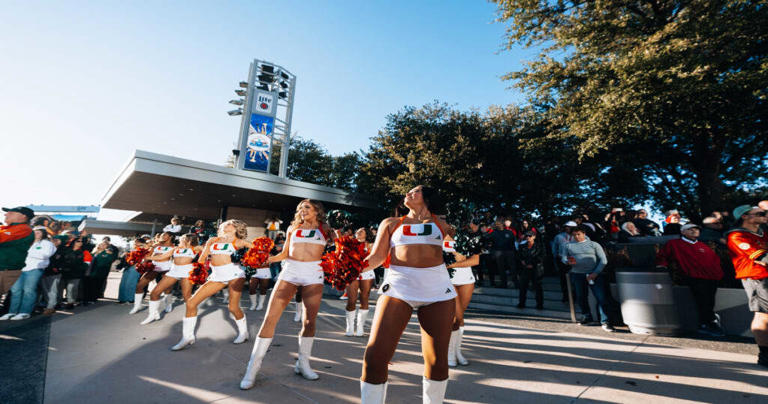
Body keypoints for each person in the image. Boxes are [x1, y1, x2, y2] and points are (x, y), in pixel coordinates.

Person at [356, 185, 456, 404]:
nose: (409, 193)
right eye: (408, 191)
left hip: (438, 291)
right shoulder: (392, 223)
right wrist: (352, 267)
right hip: (399, 287)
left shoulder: (444, 224)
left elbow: (460, 253)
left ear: (427, 197)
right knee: (374, 358)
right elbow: (377, 257)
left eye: (416, 191)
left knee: (437, 361)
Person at [240, 200, 334, 389]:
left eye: (307, 207)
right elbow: (284, 254)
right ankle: (253, 368)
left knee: (309, 321)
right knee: (270, 318)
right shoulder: (293, 228)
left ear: (317, 211)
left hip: (314, 273)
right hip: (290, 271)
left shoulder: (326, 229)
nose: (302, 210)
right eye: (300, 208)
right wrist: (265, 259)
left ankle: (303, 363)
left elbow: (338, 250)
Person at [172, 220, 251, 350]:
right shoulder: (213, 240)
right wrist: (198, 270)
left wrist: (251, 259)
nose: (227, 225)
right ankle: (187, 337)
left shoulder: (240, 242)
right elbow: (202, 258)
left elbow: (260, 251)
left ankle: (244, 332)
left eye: (230, 224)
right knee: (191, 303)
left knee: (233, 307)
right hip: (217, 275)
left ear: (237, 228)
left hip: (235, 274)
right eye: (225, 223)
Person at [656, 223, 724, 336]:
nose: (694, 231)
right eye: (690, 229)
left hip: (712, 278)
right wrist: (662, 266)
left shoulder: (703, 246)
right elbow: (662, 256)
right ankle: (706, 324)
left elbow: (715, 261)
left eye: (696, 229)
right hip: (692, 276)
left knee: (709, 301)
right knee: (703, 300)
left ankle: (708, 322)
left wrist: (719, 274)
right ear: (682, 232)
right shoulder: (674, 244)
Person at [726, 205, 768, 367]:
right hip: (757, 278)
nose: (764, 215)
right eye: (760, 213)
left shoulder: (763, 233)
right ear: (744, 216)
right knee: (763, 315)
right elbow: (762, 257)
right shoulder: (737, 236)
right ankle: (764, 354)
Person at [562, 225, 616, 332]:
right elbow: (563, 257)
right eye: (574, 235)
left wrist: (595, 273)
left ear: (584, 234)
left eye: (578, 234)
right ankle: (586, 316)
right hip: (577, 274)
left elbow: (603, 260)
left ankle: (605, 321)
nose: (576, 237)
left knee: (601, 298)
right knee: (581, 297)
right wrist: (566, 261)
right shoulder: (568, 246)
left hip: (594, 274)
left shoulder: (594, 244)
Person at [140, 233, 201, 325]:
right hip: (173, 271)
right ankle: (152, 314)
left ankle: (191, 318)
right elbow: (161, 256)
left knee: (187, 297)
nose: (179, 239)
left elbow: (207, 250)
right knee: (154, 293)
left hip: (187, 272)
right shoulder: (175, 249)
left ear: (188, 240)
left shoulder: (195, 248)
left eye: (182, 238)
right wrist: (148, 257)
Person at [1, 226, 56, 320]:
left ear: (43, 233)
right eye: (34, 232)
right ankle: (12, 312)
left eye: (39, 232)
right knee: (15, 291)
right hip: (19, 269)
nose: (36, 234)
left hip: (34, 269)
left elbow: (45, 255)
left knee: (28, 290)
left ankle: (25, 312)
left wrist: (26, 252)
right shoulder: (24, 242)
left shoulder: (47, 244)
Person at [443, 228, 476, 368]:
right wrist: (458, 257)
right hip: (449, 279)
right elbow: (462, 258)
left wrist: (451, 262)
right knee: (455, 317)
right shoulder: (439, 237)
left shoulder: (470, 238)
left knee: (460, 318)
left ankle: (457, 352)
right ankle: (449, 353)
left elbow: (474, 260)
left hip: (467, 279)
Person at [129, 232, 174, 314]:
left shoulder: (173, 246)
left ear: (170, 237)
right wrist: (144, 262)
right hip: (154, 266)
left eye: (164, 235)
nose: (162, 236)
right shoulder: (156, 244)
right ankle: (137, 305)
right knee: (140, 285)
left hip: (166, 267)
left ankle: (168, 304)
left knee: (167, 288)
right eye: (161, 235)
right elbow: (148, 255)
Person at [344, 227, 375, 337]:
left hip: (366, 272)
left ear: (366, 234)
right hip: (352, 273)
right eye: (357, 231)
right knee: (351, 300)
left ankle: (360, 326)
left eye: (361, 231)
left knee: (364, 298)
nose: (358, 232)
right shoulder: (349, 243)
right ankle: (350, 326)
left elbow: (375, 258)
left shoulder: (370, 245)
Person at [0, 207, 35, 298]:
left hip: (4, 270)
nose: (6, 214)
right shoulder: (8, 228)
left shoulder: (23, 229)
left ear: (23, 216)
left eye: (11, 213)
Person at [59, 238, 92, 309]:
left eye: (81, 241)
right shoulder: (66, 250)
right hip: (63, 273)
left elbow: (86, 264)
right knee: (59, 288)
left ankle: (70, 303)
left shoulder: (85, 252)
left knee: (71, 289)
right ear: (73, 242)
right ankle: (58, 303)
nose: (80, 242)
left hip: (75, 274)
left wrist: (77, 268)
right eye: (78, 241)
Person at [516, 230, 545, 310]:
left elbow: (542, 257)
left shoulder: (540, 246)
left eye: (530, 236)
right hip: (525, 269)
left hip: (536, 269)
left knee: (538, 287)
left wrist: (533, 264)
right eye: (527, 236)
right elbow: (519, 256)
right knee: (522, 287)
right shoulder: (522, 246)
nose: (528, 237)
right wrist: (523, 262)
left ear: (534, 237)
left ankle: (539, 304)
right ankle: (521, 303)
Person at [83, 239, 118, 303]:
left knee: (95, 287)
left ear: (106, 247)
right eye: (101, 244)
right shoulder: (93, 253)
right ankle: (86, 298)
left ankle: (93, 299)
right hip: (89, 273)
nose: (101, 245)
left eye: (104, 245)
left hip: (99, 274)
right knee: (87, 286)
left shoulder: (107, 254)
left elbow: (109, 261)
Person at [553, 221, 577, 302]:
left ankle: (575, 295)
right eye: (566, 226)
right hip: (562, 260)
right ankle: (566, 296)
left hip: (574, 260)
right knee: (563, 279)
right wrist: (556, 257)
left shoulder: (577, 236)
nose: (567, 228)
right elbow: (554, 248)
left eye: (569, 227)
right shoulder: (559, 237)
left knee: (574, 279)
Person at [487, 220, 516, 288]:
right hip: (499, 252)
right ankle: (504, 284)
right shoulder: (494, 233)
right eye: (496, 224)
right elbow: (487, 237)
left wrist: (513, 251)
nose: (498, 225)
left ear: (502, 224)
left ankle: (515, 283)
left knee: (512, 268)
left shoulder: (509, 232)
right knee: (501, 269)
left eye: (499, 224)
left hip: (508, 252)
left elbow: (513, 241)